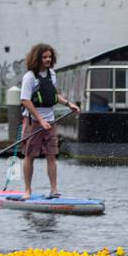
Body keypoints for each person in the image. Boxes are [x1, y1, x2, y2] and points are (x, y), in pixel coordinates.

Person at [19, 43, 80, 198]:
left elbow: (52, 95)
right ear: (37, 58)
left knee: (52, 155)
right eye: (44, 57)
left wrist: (69, 104)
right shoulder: (30, 77)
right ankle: (27, 190)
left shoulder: (52, 74)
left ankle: (54, 190)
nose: (48, 60)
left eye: (49, 57)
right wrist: (40, 119)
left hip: (50, 122)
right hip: (34, 122)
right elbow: (25, 100)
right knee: (30, 155)